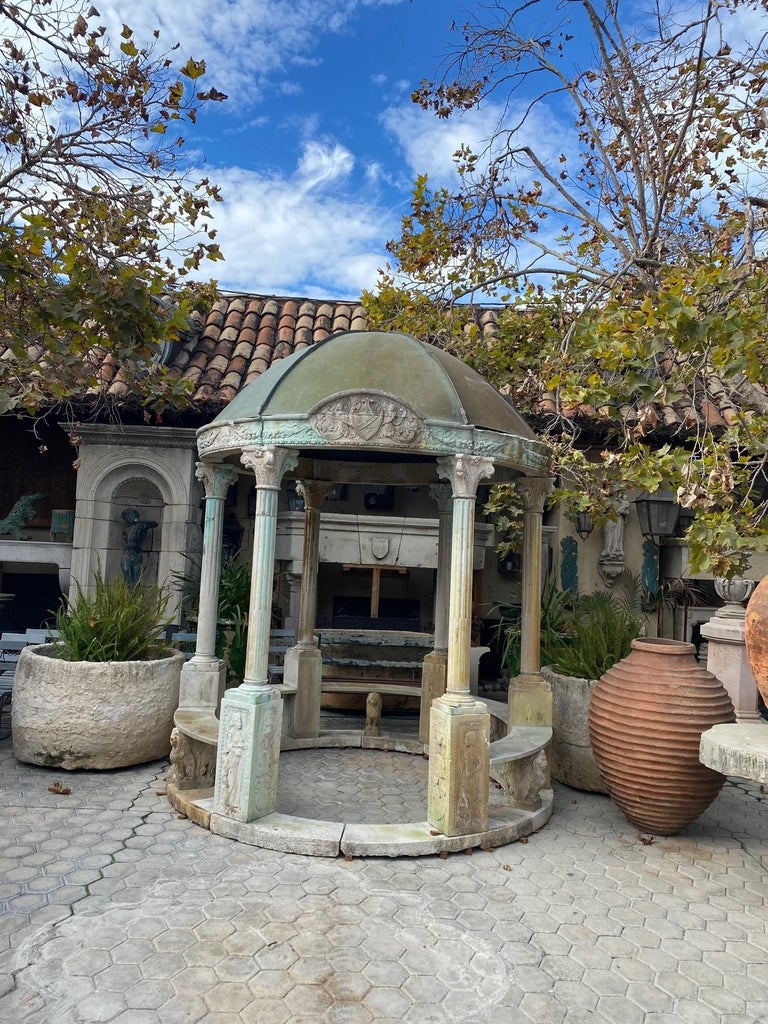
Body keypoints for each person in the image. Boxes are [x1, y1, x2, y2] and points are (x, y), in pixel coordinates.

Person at [120, 507, 158, 585]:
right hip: (127, 554)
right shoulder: (127, 530)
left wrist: (139, 522)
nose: (129, 518)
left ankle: (135, 595)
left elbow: (154, 524)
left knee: (136, 579)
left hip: (137, 555)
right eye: (127, 517)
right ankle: (129, 594)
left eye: (131, 515)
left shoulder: (141, 526)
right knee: (126, 571)